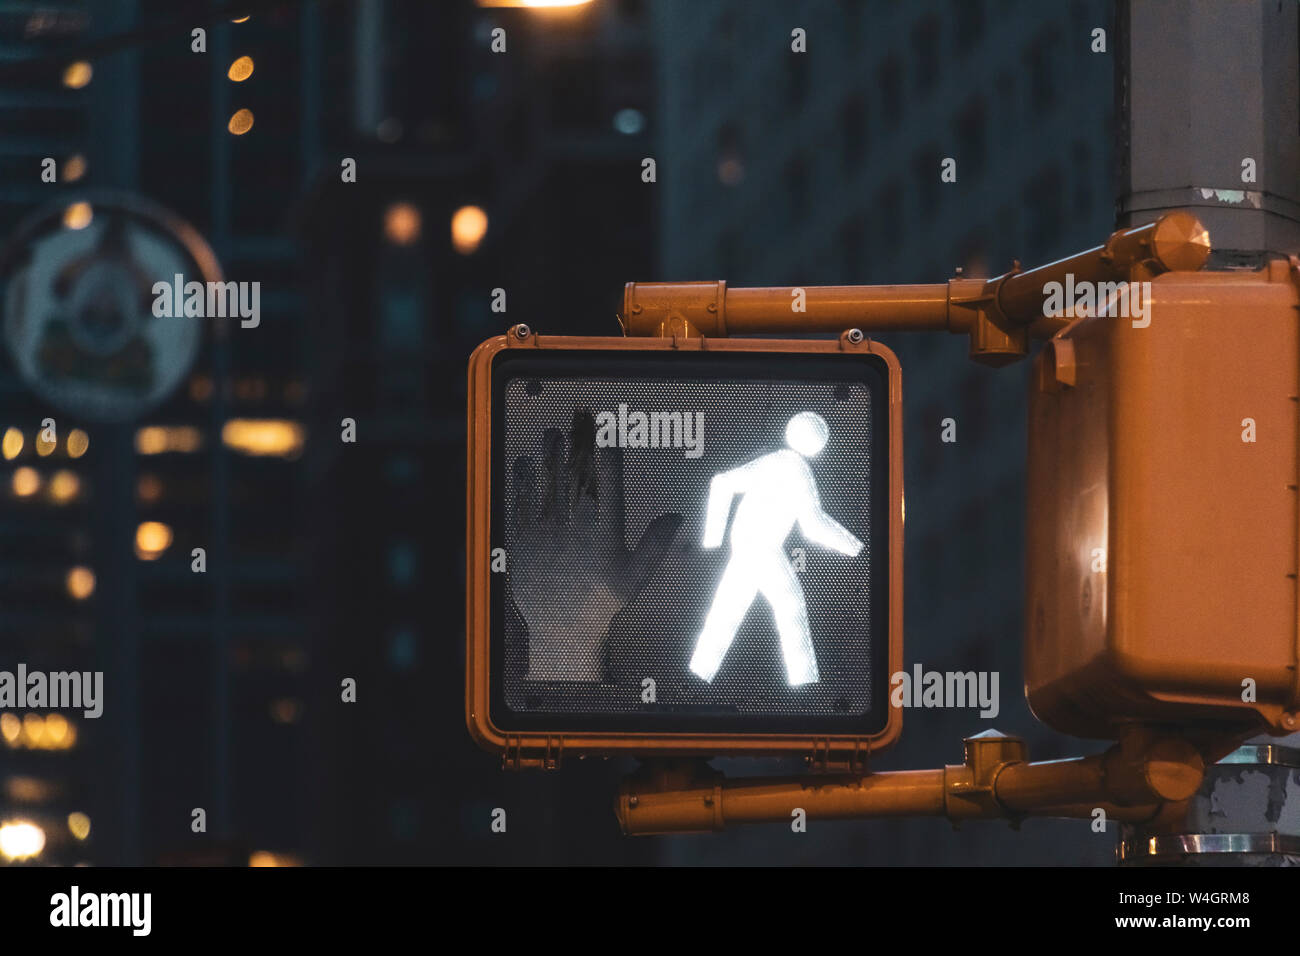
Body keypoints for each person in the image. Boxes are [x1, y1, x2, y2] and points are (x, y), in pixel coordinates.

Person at [689, 411, 862, 686]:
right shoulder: (796, 469)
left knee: (729, 610)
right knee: (788, 605)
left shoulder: (774, 461)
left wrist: (714, 539)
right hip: (762, 547)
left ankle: (697, 676)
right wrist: (855, 549)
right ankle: (805, 686)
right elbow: (813, 525)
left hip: (747, 543)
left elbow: (723, 483)